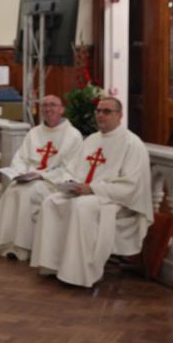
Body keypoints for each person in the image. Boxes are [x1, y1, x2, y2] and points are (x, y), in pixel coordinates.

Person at [30, 96, 153, 287]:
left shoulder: (132, 144)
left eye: (107, 111)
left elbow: (130, 187)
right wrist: (70, 183)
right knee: (51, 202)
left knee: (82, 207)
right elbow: (72, 169)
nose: (101, 115)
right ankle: (52, 265)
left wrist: (92, 188)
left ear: (120, 115)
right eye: (98, 111)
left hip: (116, 201)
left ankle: (78, 274)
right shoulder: (91, 140)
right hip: (85, 193)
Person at [0, 94, 82, 260]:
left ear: (62, 109)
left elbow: (70, 168)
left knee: (27, 193)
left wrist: (41, 175)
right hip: (29, 178)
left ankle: (23, 248)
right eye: (45, 105)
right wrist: (21, 172)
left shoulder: (73, 135)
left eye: (53, 105)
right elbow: (20, 157)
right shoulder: (34, 133)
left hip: (50, 182)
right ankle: (6, 244)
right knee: (12, 191)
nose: (48, 109)